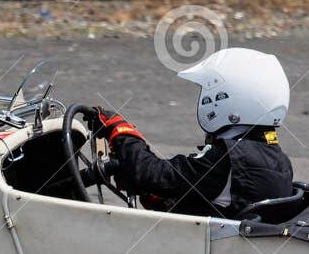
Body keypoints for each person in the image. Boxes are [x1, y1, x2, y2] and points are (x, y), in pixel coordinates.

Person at [91, 48, 295, 218]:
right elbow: (215, 200)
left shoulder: (227, 160)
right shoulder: (278, 160)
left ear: (228, 99)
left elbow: (150, 173)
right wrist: (163, 199)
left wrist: (121, 131)